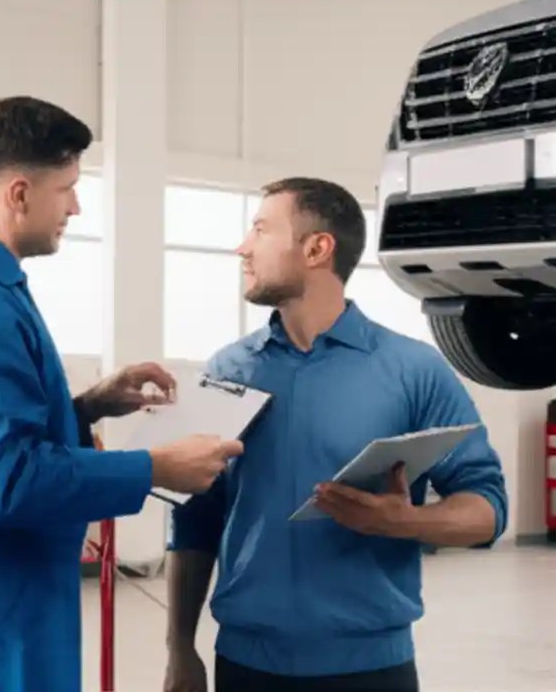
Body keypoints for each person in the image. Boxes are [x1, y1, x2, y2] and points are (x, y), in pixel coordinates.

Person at [0, 95, 243, 692]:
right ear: (20, 193)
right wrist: (157, 467)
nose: (76, 207)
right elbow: (9, 482)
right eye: (68, 189)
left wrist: (89, 406)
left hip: (17, 585)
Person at [163, 178, 509, 692]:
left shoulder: (414, 370)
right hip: (244, 665)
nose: (242, 247)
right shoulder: (227, 369)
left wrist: (407, 522)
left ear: (317, 248)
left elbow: (487, 509)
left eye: (260, 229)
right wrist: (181, 649)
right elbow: (195, 520)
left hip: (372, 670)